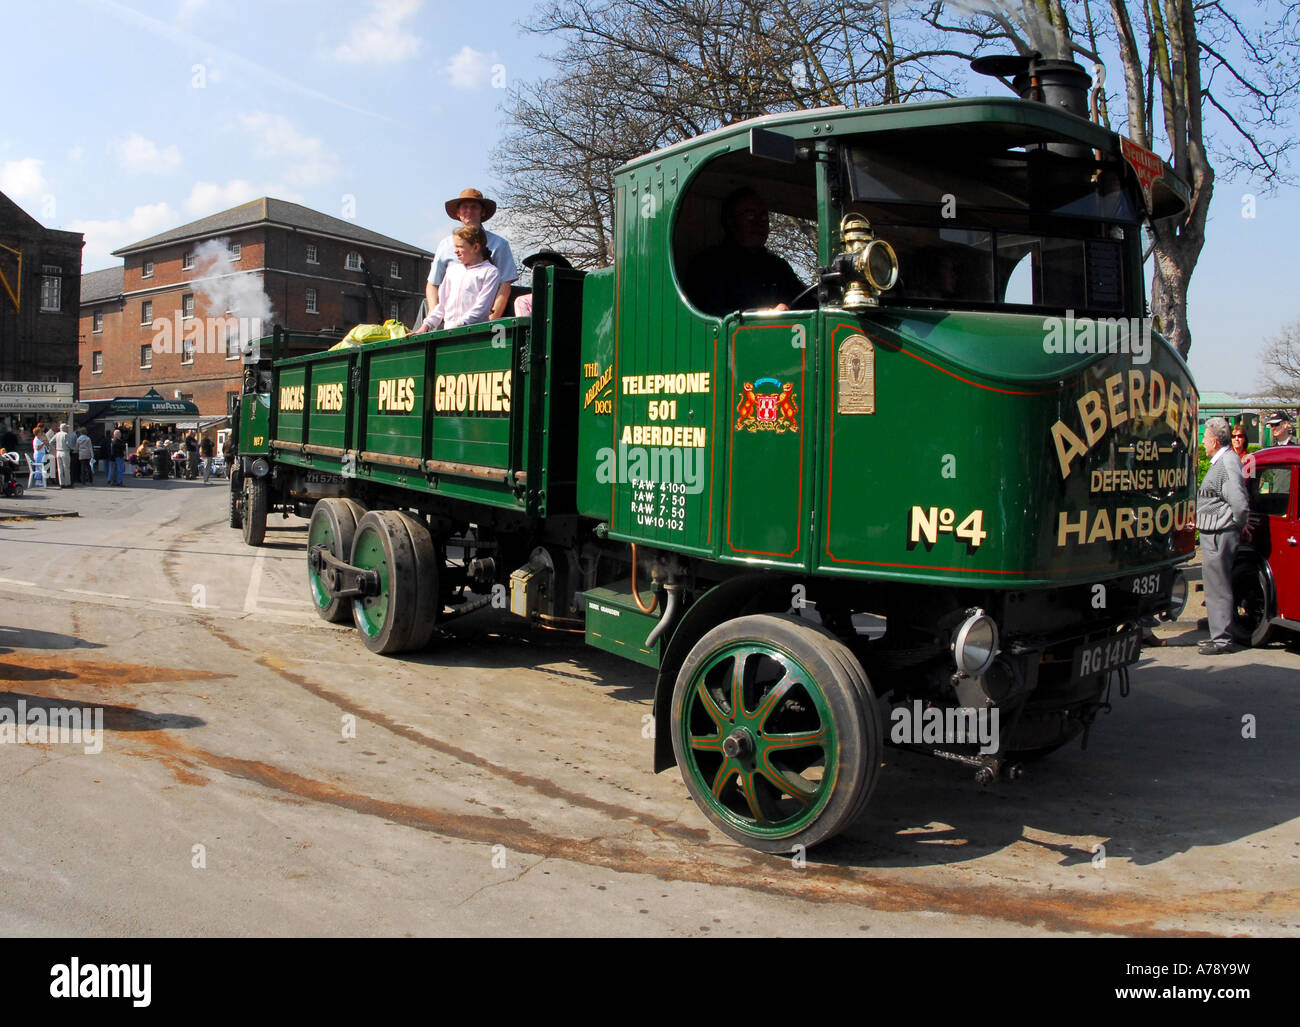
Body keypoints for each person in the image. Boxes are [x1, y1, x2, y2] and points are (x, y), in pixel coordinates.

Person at [685, 187, 806, 317]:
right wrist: (764, 314)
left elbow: (804, 301)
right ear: (731, 222)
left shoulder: (779, 267)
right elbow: (709, 314)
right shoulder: (708, 265)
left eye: (763, 217)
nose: (759, 223)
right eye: (750, 216)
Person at [1197, 417, 1251, 655]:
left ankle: (1221, 640)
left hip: (1219, 533)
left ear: (1216, 441)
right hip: (1216, 531)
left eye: (1205, 438)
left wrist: (1236, 525)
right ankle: (1219, 636)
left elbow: (1239, 502)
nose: (1203, 442)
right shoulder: (1223, 460)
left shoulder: (1227, 462)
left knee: (1218, 587)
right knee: (1215, 586)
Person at [426, 188, 517, 321]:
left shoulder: (499, 244)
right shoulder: (445, 245)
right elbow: (433, 284)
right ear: (458, 212)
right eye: (464, 207)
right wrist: (433, 317)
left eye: (474, 207)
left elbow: (505, 285)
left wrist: (491, 319)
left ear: (482, 212)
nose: (469, 211)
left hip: (483, 321)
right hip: (449, 321)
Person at [418, 226, 502, 332]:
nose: (455, 251)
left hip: (476, 333)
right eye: (455, 247)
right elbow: (441, 306)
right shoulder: (452, 271)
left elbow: (482, 308)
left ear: (476, 247)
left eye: (460, 246)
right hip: (449, 332)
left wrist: (459, 325)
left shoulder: (490, 272)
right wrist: (425, 326)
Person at [513, 249, 573, 317]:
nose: (533, 271)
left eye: (539, 266)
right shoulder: (576, 298)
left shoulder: (525, 301)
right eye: (533, 267)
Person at [52, 423, 74, 489]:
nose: (67, 429)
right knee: (66, 468)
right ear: (64, 428)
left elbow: (51, 442)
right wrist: (72, 448)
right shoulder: (66, 434)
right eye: (67, 428)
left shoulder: (57, 434)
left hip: (58, 452)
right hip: (65, 451)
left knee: (60, 468)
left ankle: (61, 483)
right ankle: (68, 483)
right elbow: (68, 444)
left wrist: (55, 448)